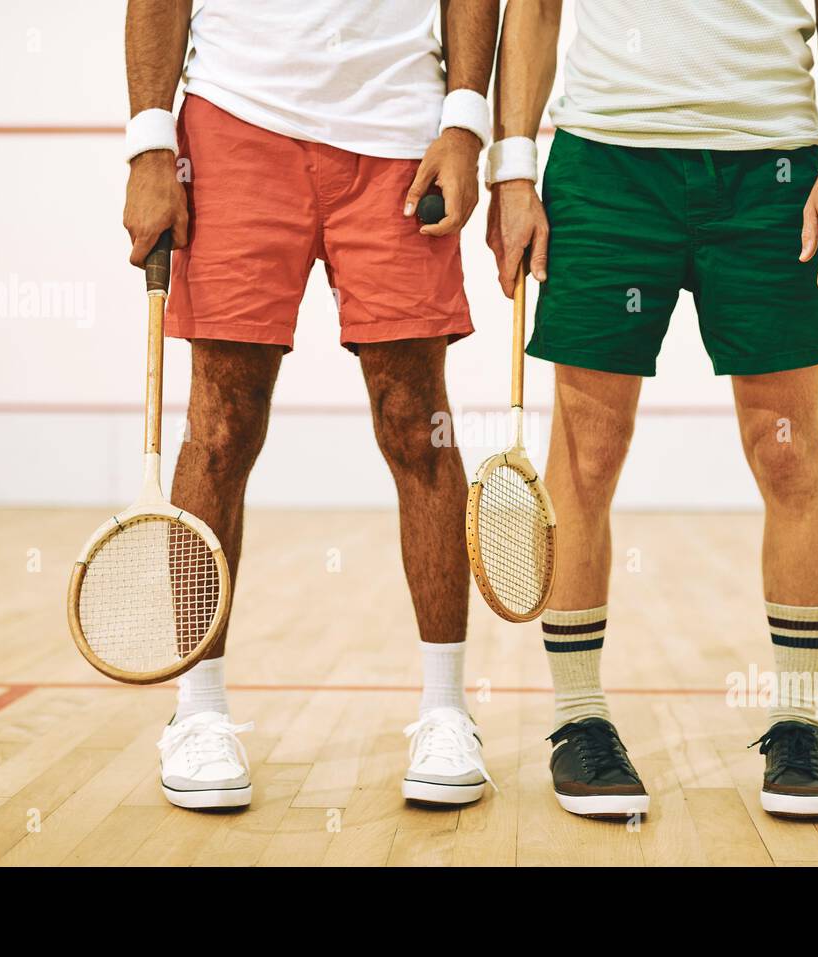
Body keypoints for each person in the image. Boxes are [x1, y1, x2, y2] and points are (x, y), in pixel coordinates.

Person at [486, 0, 818, 818]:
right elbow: (533, 8)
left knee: (787, 449)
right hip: (605, 167)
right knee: (589, 446)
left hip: (773, 170)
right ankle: (578, 718)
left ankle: (802, 722)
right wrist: (514, 167)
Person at [121, 0, 500, 809]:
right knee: (219, 427)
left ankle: (445, 709)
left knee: (416, 423)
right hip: (233, 125)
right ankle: (198, 712)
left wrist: (465, 125)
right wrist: (150, 145)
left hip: (400, 132)